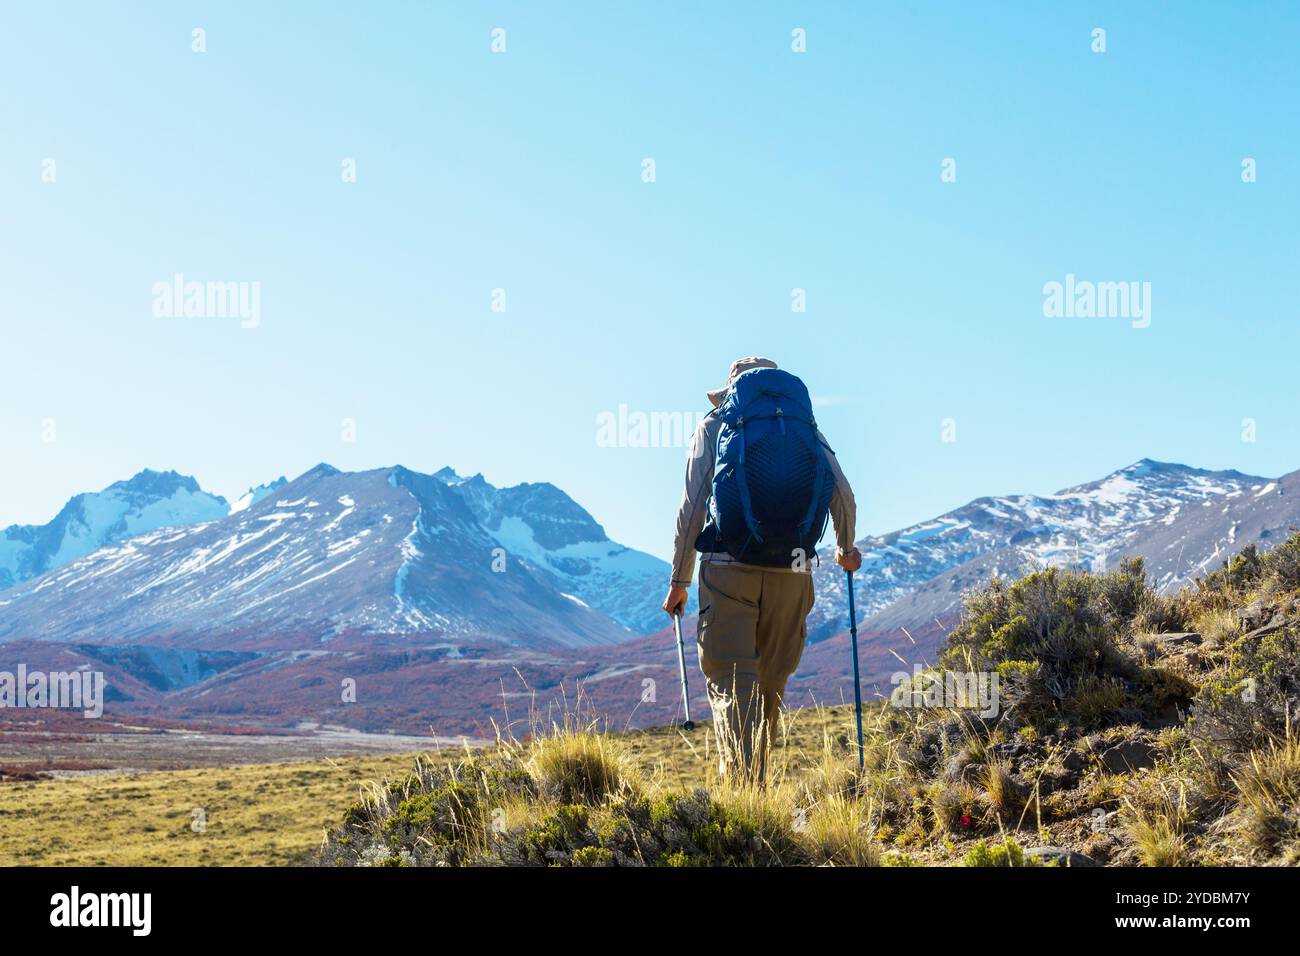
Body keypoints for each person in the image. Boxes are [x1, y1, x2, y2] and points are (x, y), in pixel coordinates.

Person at [662, 357, 861, 780]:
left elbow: (694, 505)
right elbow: (842, 494)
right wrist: (845, 549)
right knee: (769, 686)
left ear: (731, 389)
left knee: (735, 682)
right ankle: (757, 787)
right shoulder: (806, 428)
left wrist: (679, 581)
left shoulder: (718, 423)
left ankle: (745, 799)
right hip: (793, 570)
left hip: (729, 565)